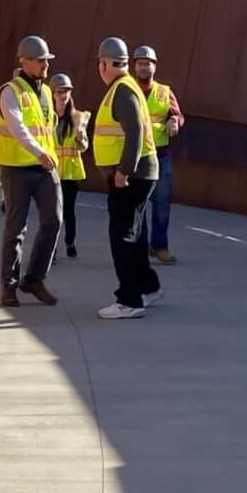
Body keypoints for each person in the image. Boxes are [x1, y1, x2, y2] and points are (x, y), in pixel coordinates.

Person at [90, 36, 159, 320]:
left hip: (131, 177)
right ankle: (148, 286)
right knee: (135, 233)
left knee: (122, 236)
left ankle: (129, 300)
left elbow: (135, 134)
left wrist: (123, 172)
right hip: (139, 174)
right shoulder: (125, 87)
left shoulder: (121, 90)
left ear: (104, 64)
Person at [0, 35, 63, 308]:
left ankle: (34, 278)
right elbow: (17, 127)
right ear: (25, 61)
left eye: (47, 60)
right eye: (41, 60)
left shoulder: (46, 91)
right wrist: (39, 152)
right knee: (16, 227)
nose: (46, 64)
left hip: (45, 168)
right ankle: (9, 286)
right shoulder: (10, 91)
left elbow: (47, 125)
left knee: (53, 221)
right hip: (17, 169)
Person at [129, 44, 185, 263]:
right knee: (138, 205)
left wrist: (174, 121)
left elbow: (178, 115)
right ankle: (140, 248)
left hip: (160, 155)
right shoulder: (127, 89)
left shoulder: (164, 92)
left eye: (148, 63)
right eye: (141, 63)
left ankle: (160, 246)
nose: (144, 67)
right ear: (135, 66)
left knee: (161, 201)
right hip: (135, 156)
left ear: (155, 66)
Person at [50, 72, 88, 257]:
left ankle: (70, 242)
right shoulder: (47, 116)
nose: (63, 95)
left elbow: (84, 146)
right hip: (52, 171)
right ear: (53, 93)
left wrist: (81, 140)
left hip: (72, 172)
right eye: (59, 91)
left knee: (68, 211)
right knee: (52, 213)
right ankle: (53, 248)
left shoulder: (79, 117)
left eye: (66, 91)